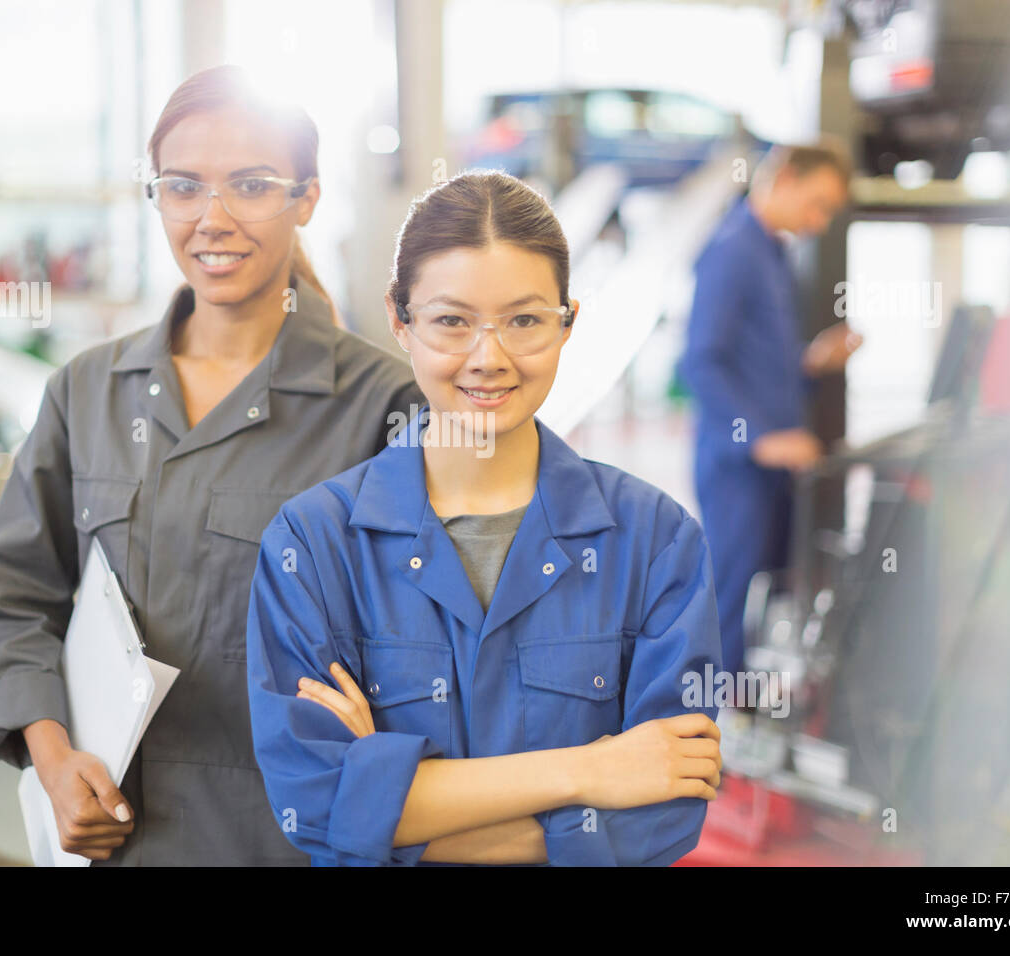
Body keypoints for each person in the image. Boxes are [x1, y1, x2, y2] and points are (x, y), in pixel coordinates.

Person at [0, 66, 423, 865]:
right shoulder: (88, 391)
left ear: (307, 198)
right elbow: (13, 593)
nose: (212, 219)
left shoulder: (383, 406)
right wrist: (53, 759)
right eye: (183, 186)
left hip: (288, 837)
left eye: (250, 185)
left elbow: (428, 647)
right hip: (113, 835)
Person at [246, 170, 723, 866]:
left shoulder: (655, 541)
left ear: (569, 322)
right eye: (451, 320)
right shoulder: (314, 545)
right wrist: (589, 772)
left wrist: (390, 802)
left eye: (525, 320)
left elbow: (665, 812)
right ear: (400, 321)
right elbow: (313, 805)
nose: (488, 357)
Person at [677, 140, 862, 676]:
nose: (819, 220)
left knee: (763, 604)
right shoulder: (733, 248)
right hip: (739, 466)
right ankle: (715, 736)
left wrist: (809, 364)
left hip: (770, 467)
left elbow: (751, 364)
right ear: (782, 178)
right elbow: (701, 362)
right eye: (817, 203)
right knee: (734, 603)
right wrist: (758, 437)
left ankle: (747, 730)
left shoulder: (771, 253)